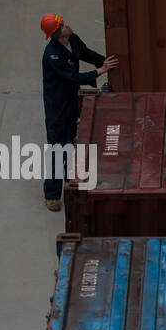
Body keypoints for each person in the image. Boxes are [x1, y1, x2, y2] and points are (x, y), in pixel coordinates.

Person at [40, 14, 118, 210]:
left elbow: (87, 54)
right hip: (57, 105)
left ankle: (68, 179)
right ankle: (52, 195)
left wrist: (106, 62)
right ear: (57, 34)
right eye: (63, 25)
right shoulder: (53, 55)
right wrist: (100, 72)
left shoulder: (72, 39)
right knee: (58, 147)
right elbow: (73, 77)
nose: (68, 25)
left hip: (70, 98)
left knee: (71, 141)